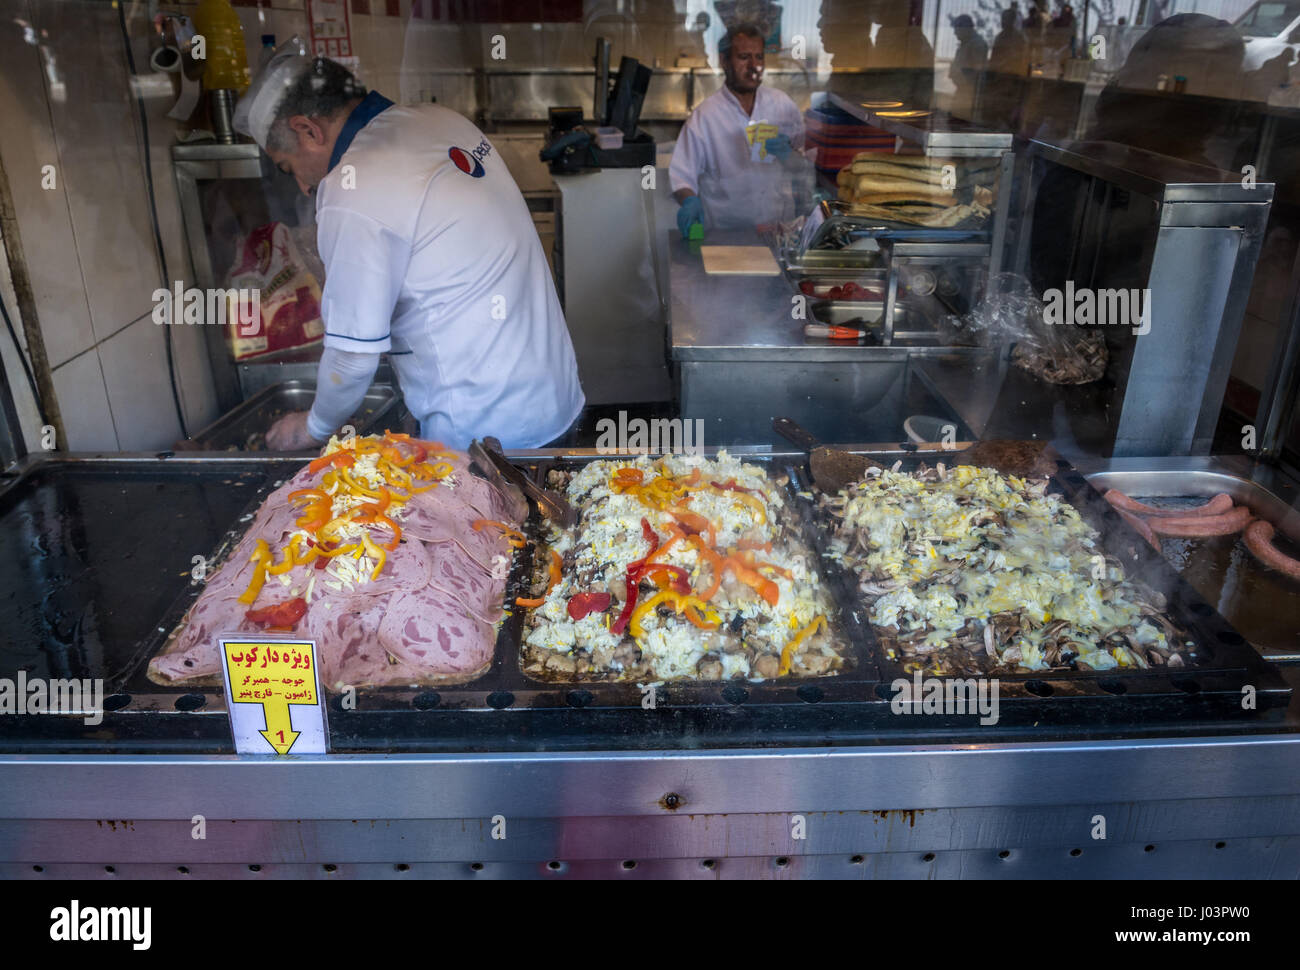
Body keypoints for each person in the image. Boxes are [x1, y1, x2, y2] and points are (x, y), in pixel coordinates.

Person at [234, 45, 584, 451]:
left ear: (308, 130)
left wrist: (310, 428)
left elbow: (351, 360)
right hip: (556, 400)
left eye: (287, 166)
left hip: (486, 442)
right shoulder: (439, 120)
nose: (302, 185)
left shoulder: (354, 182)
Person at [669, 22, 806, 236]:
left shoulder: (783, 106)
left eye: (759, 57)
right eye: (744, 57)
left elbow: (805, 164)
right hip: (726, 235)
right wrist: (690, 201)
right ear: (724, 61)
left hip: (780, 232)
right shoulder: (705, 117)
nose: (754, 66)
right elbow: (681, 176)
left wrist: (789, 156)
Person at [949, 14, 989, 119]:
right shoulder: (965, 44)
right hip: (962, 92)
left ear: (965, 28)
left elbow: (977, 73)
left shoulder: (977, 44)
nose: (954, 33)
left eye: (957, 29)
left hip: (969, 95)